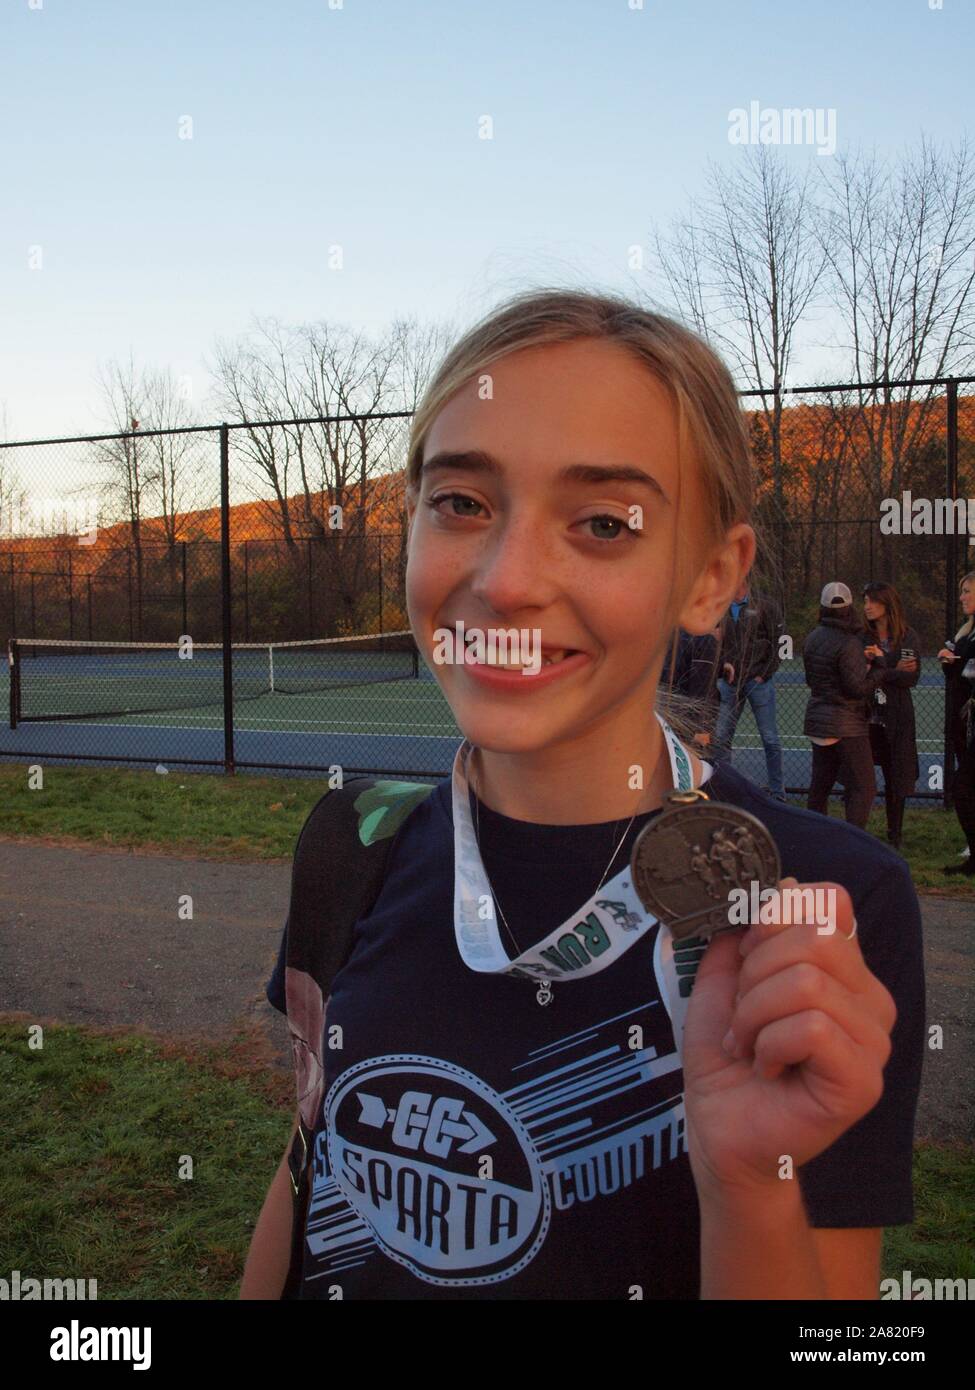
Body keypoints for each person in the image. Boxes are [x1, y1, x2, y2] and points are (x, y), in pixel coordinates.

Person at [245, 289, 922, 1301]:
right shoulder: (353, 843)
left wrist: (750, 1184)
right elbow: (311, 1173)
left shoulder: (823, 901)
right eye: (463, 501)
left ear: (708, 576)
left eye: (604, 522)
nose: (509, 580)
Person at [803, 582, 886, 830]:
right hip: (847, 725)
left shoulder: (812, 638)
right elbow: (857, 689)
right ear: (849, 608)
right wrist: (879, 666)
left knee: (819, 788)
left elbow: (813, 679)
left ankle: (816, 841)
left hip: (818, 721)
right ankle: (854, 842)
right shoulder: (849, 642)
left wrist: (862, 665)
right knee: (864, 787)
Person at [860, 582, 922, 851]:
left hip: (897, 718)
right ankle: (855, 834)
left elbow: (911, 678)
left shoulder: (908, 637)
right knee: (860, 776)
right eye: (864, 601)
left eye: (872, 601)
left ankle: (894, 836)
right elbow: (859, 674)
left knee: (896, 776)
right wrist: (890, 667)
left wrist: (880, 666)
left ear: (887, 603)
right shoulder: (861, 637)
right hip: (866, 716)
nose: (867, 606)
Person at [712, 582, 786, 800]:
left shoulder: (765, 605)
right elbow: (711, 641)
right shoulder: (718, 605)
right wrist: (721, 667)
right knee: (721, 739)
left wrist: (765, 673)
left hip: (758, 682)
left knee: (770, 739)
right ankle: (725, 790)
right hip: (728, 683)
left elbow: (778, 643)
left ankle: (777, 793)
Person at [938, 570, 975, 876]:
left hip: (971, 722)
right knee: (966, 788)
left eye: (967, 591)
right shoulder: (966, 632)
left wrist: (959, 663)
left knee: (963, 787)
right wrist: (950, 663)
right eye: (961, 590)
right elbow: (958, 676)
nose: (962, 597)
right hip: (964, 722)